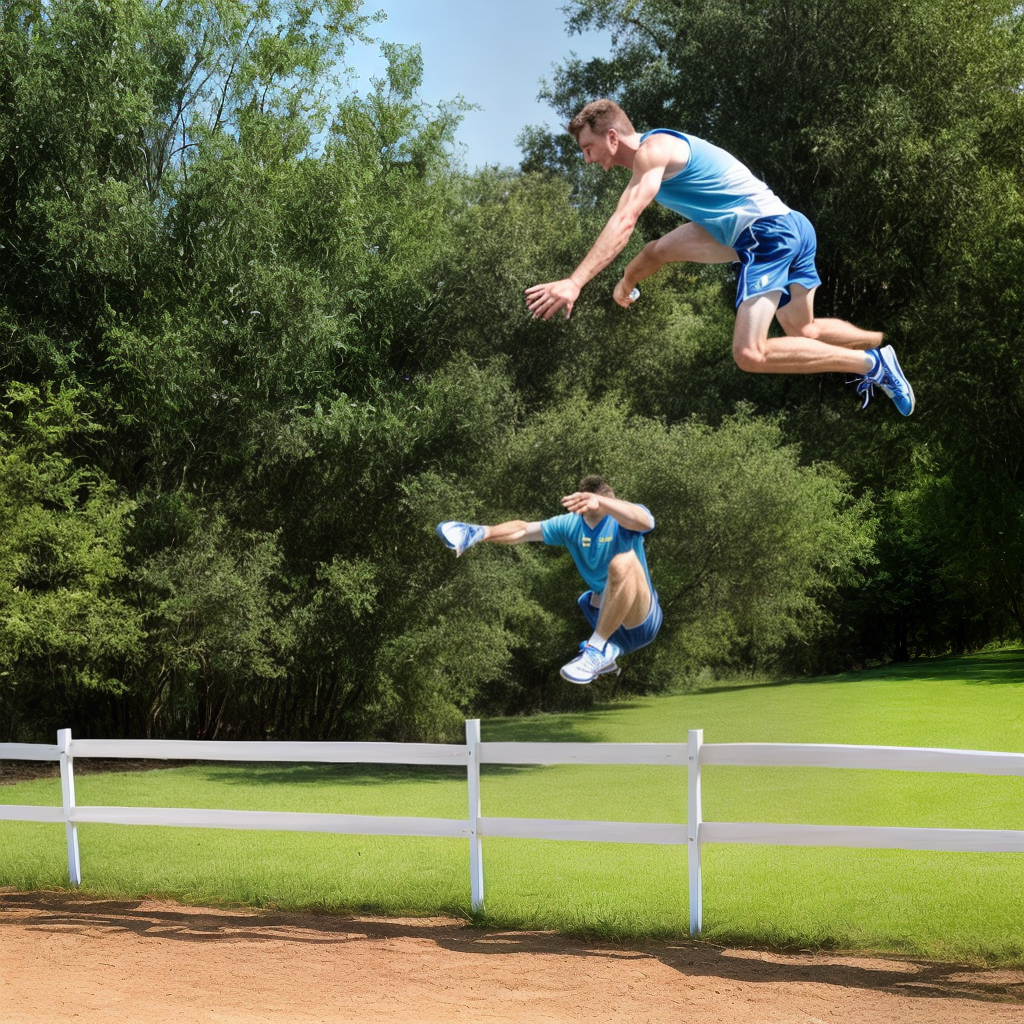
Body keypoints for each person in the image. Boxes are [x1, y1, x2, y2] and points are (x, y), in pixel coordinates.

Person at [524, 99, 915, 416]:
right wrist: (626, 284)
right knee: (804, 332)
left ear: (611, 136)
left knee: (750, 353)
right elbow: (655, 251)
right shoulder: (693, 187)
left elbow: (625, 219)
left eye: (588, 149)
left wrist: (575, 282)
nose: (588, 160)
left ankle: (873, 365)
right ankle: (883, 343)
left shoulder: (652, 151)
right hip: (792, 225)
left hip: (767, 233)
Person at [436, 476, 662, 685]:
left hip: (641, 620)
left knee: (624, 563)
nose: (601, 509)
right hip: (606, 618)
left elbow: (645, 521)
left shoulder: (624, 518)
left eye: (605, 504)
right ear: (581, 506)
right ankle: (608, 650)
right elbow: (524, 530)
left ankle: (597, 648)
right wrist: (483, 532)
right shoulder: (570, 525)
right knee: (609, 578)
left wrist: (602, 502)